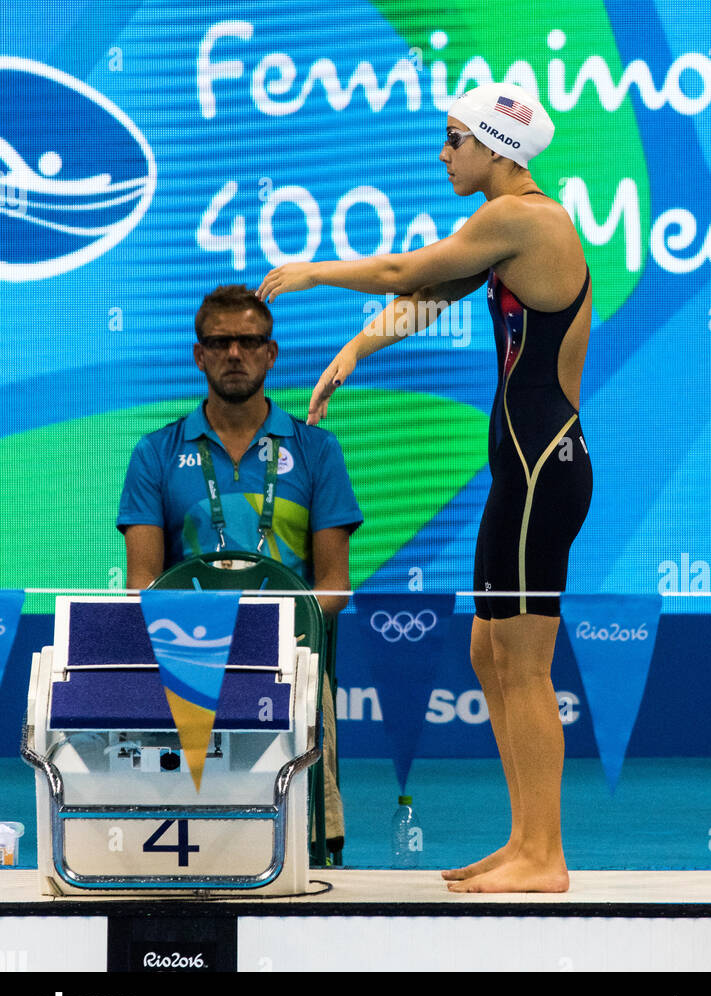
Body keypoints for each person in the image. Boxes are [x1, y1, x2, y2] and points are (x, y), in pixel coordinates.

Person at [257, 80, 592, 894]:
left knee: (523, 659)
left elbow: (406, 267)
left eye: (454, 140)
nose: (444, 155)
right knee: (490, 650)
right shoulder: (509, 231)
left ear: (493, 146)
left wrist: (312, 272)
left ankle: (546, 857)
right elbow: (429, 294)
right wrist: (357, 351)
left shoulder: (524, 217)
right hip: (524, 468)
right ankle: (525, 843)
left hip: (544, 466)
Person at [116, 283, 363, 853]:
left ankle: (312, 844)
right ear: (199, 354)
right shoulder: (155, 453)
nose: (235, 354)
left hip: (290, 659)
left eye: (249, 342)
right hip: (185, 655)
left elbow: (335, 587)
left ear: (271, 353)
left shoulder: (317, 451)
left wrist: (259, 631)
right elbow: (142, 587)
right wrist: (213, 634)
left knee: (299, 840)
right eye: (220, 342)